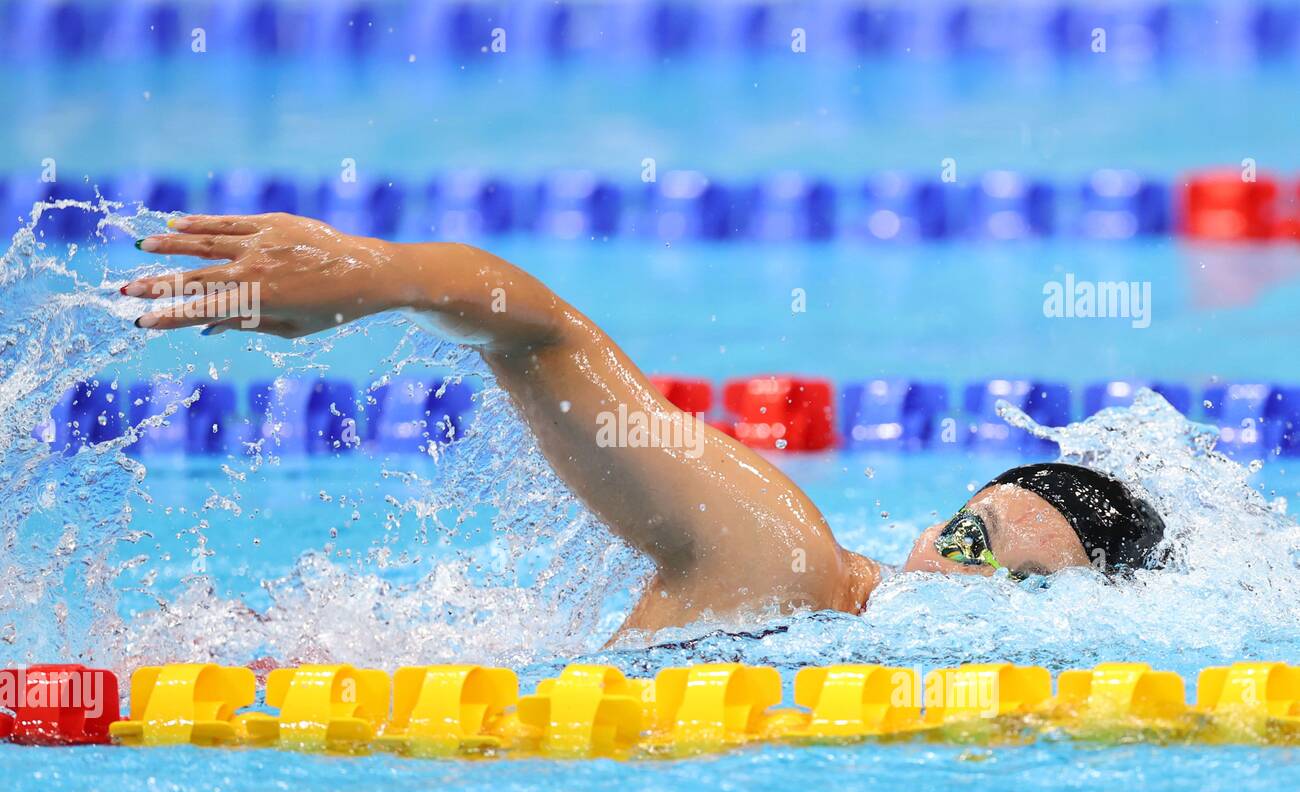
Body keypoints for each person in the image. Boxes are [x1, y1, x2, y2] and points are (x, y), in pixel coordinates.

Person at [122, 213, 1167, 640]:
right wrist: (376, 275)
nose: (966, 578)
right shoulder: (784, 563)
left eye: (1026, 589)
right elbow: (543, 336)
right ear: (936, 524)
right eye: (975, 540)